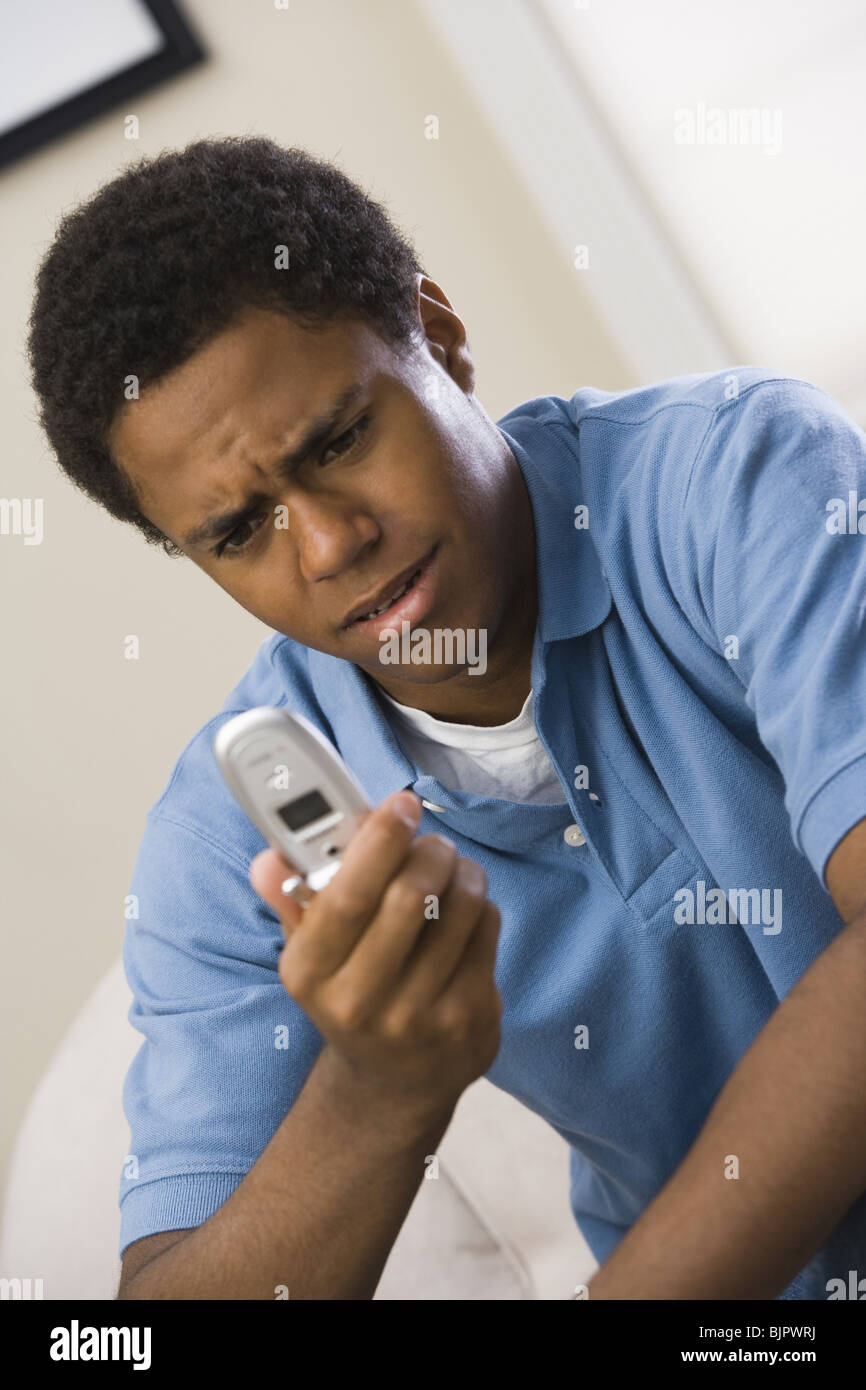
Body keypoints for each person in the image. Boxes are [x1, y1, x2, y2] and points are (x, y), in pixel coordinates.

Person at [27, 136, 866, 1301]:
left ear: (441, 335)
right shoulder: (227, 843)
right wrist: (379, 1091)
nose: (326, 544)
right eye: (236, 531)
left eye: (335, 442)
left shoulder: (736, 478)